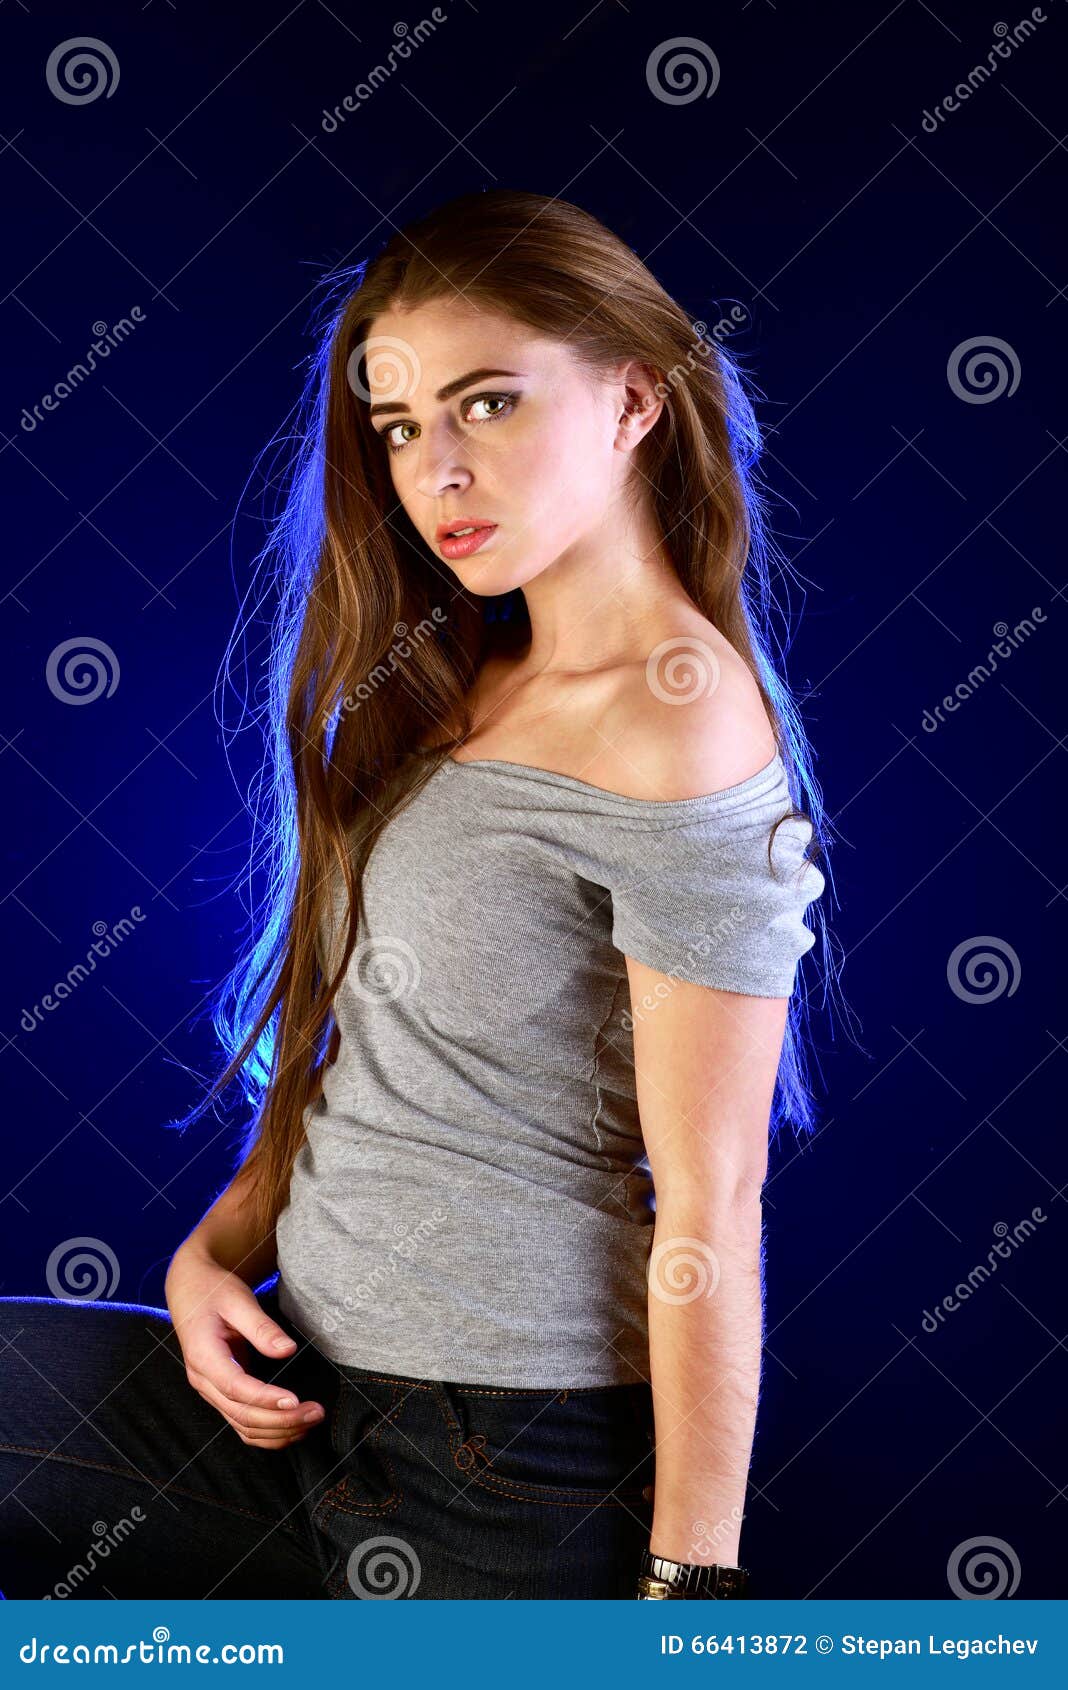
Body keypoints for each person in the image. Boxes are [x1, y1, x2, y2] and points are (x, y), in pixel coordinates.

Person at [0, 189, 837, 1600]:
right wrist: (214, 1255)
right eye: (399, 427)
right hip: (296, 1387)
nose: (434, 469)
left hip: (497, 1459)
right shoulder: (458, 673)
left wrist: (690, 1587)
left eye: (489, 404)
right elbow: (377, 1058)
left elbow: (716, 1200)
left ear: (635, 400)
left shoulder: (677, 723)